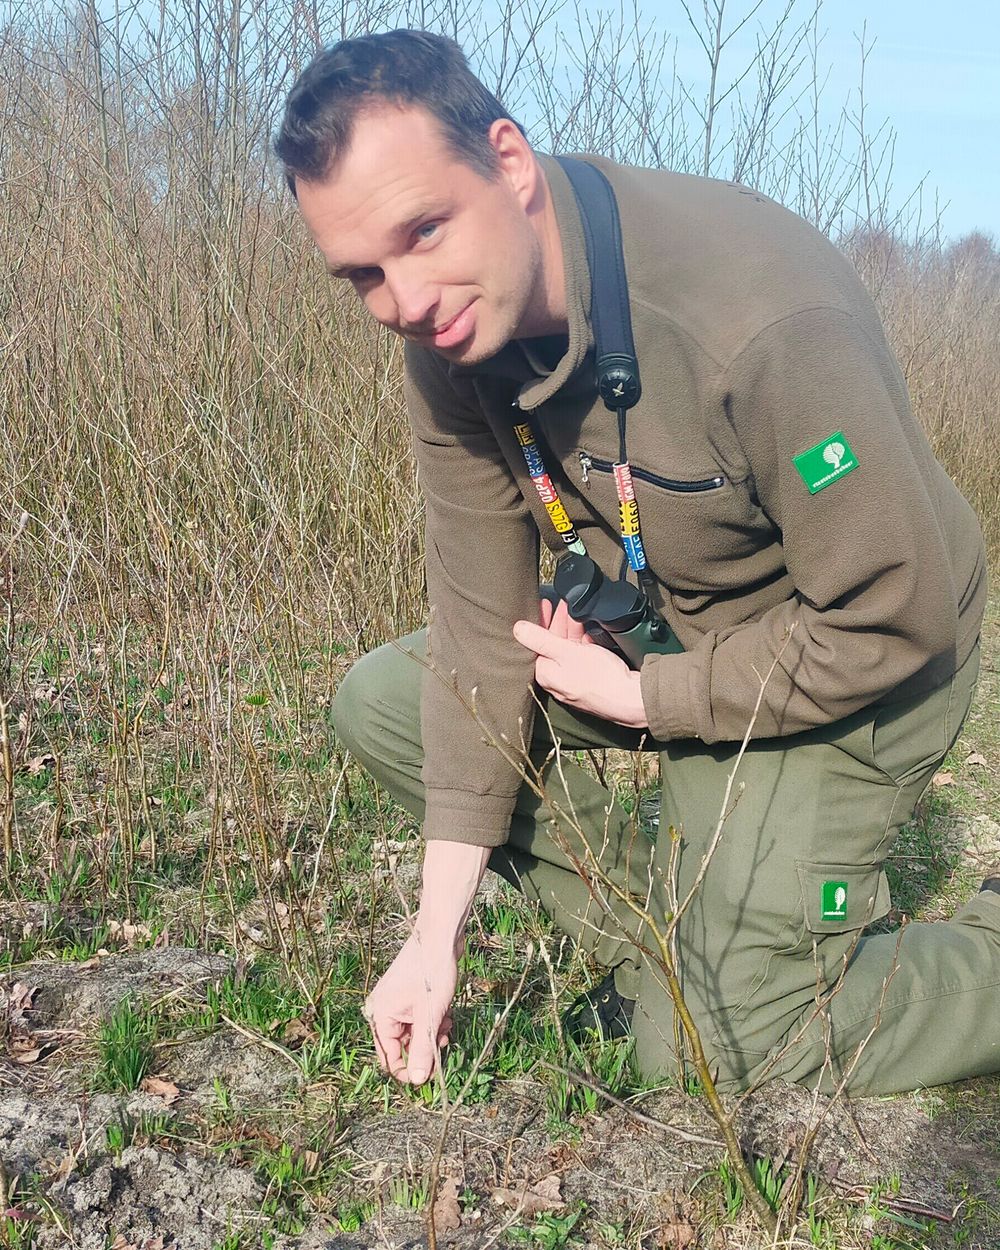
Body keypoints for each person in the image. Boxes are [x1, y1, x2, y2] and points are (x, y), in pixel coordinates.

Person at [273, 29, 994, 1096]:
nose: (405, 300)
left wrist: (655, 694)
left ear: (508, 163)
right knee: (389, 698)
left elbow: (897, 611)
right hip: (675, 647)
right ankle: (657, 954)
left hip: (859, 668)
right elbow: (479, 636)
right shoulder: (451, 345)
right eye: (362, 275)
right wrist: (435, 938)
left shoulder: (756, 311)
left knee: (731, 1050)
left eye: (422, 231)